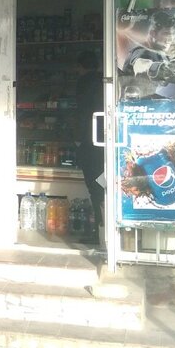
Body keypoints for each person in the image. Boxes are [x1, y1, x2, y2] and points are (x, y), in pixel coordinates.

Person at [120, 8, 175, 100]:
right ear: (153, 34)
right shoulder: (143, 52)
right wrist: (151, 68)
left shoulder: (165, 52)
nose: (170, 38)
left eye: (173, 33)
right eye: (166, 33)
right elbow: (141, 64)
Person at [74, 50, 104, 243]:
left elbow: (81, 113)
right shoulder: (104, 80)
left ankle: (98, 232)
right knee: (104, 184)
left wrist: (78, 139)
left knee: (95, 187)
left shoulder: (84, 84)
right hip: (104, 140)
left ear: (80, 67)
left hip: (89, 142)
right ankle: (103, 229)